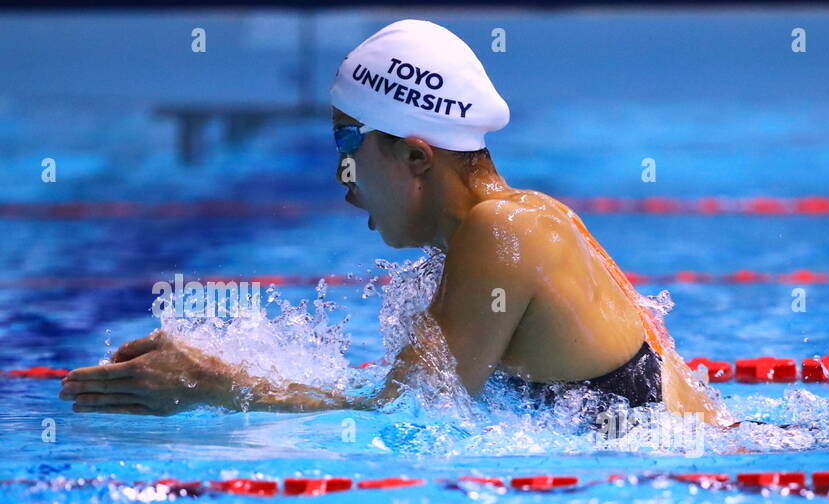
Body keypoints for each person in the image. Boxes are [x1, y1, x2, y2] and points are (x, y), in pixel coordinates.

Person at [60, 19, 727, 426]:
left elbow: (405, 419)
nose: (341, 182)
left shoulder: (506, 233)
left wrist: (210, 384)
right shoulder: (536, 219)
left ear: (415, 156)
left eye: (347, 149)